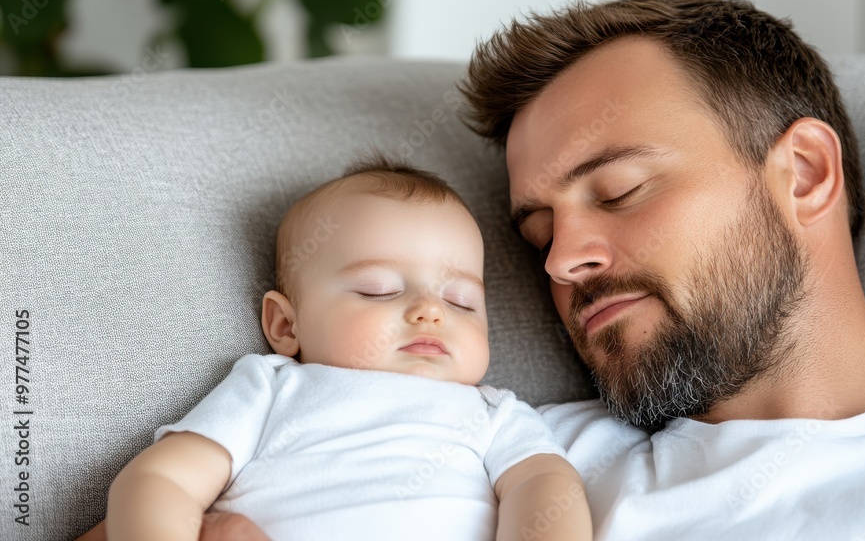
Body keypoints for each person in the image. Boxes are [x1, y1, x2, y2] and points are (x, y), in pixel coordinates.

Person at [87, 0, 865, 541]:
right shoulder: (474, 445)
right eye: (533, 234)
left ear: (802, 174)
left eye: (619, 190)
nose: (564, 262)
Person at [93, 157, 592, 541]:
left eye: (461, 301)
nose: (430, 312)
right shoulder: (270, 388)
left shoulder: (493, 413)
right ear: (286, 325)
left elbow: (547, 486)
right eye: (379, 289)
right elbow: (162, 480)